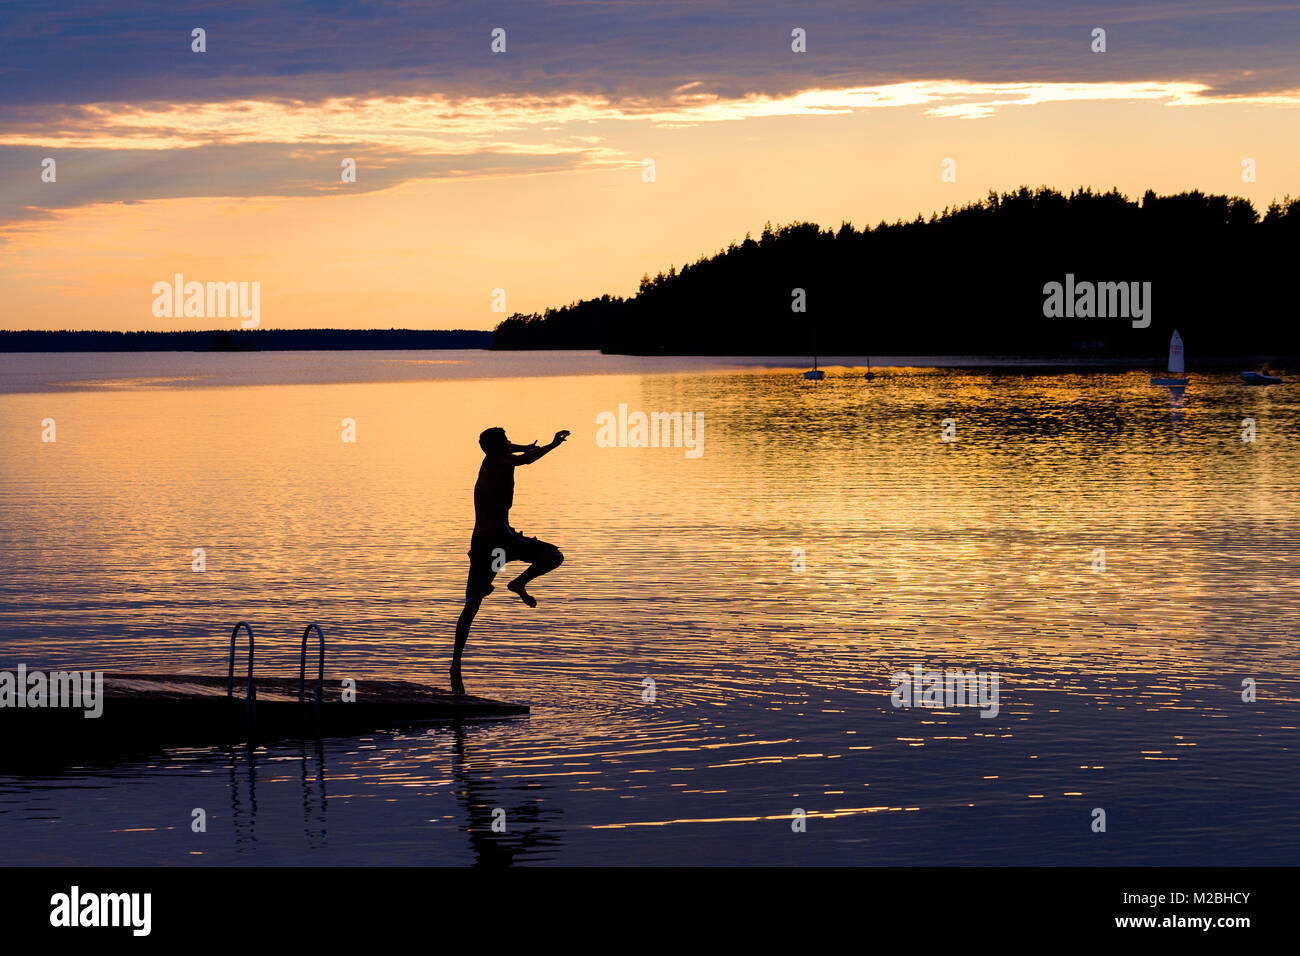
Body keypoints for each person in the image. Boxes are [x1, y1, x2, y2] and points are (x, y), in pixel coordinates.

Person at [451, 426, 569, 687]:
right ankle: (518, 583)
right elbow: (526, 460)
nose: (509, 444)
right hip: (502, 540)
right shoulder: (503, 461)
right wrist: (553, 444)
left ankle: (455, 663)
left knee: (471, 605)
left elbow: (514, 450)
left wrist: (524, 445)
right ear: (499, 447)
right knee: (554, 556)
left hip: (481, 544)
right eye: (506, 441)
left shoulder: (488, 460)